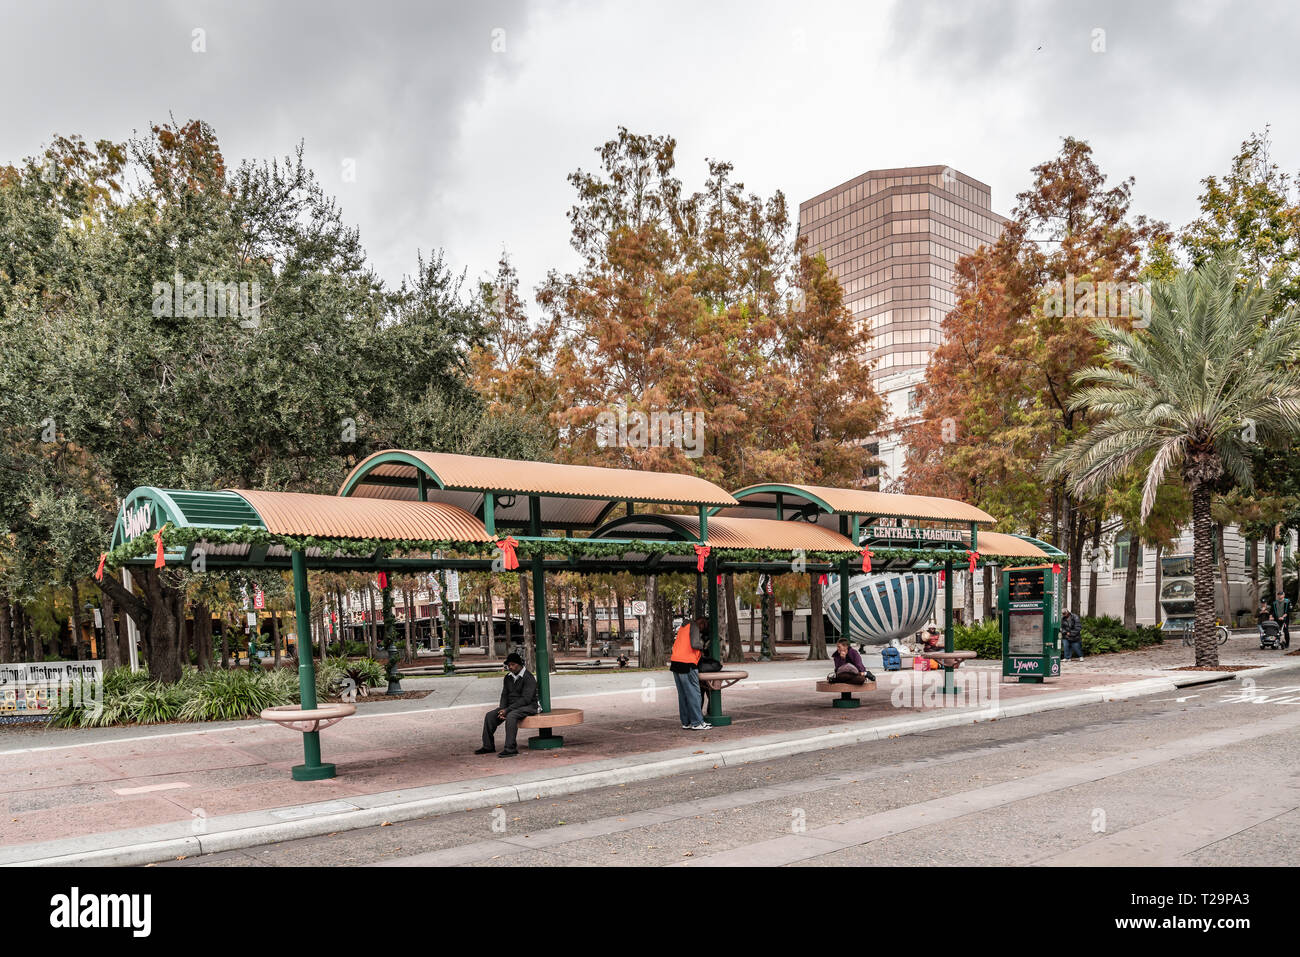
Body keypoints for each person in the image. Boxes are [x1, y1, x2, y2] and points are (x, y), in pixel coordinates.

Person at [475, 652, 538, 758]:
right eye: (509, 665)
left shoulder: (528, 677)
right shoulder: (508, 678)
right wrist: (502, 708)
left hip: (529, 706)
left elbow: (526, 700)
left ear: (520, 664)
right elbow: (504, 695)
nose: (510, 667)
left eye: (513, 665)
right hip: (510, 707)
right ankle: (488, 746)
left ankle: (511, 748)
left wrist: (507, 710)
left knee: (511, 716)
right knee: (490, 716)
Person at [670, 615, 710, 730]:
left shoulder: (683, 627)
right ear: (701, 623)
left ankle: (686, 722)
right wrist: (703, 646)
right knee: (694, 694)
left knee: (683, 695)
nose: (703, 629)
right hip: (687, 663)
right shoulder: (694, 626)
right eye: (704, 626)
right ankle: (697, 722)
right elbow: (694, 644)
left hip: (676, 662)